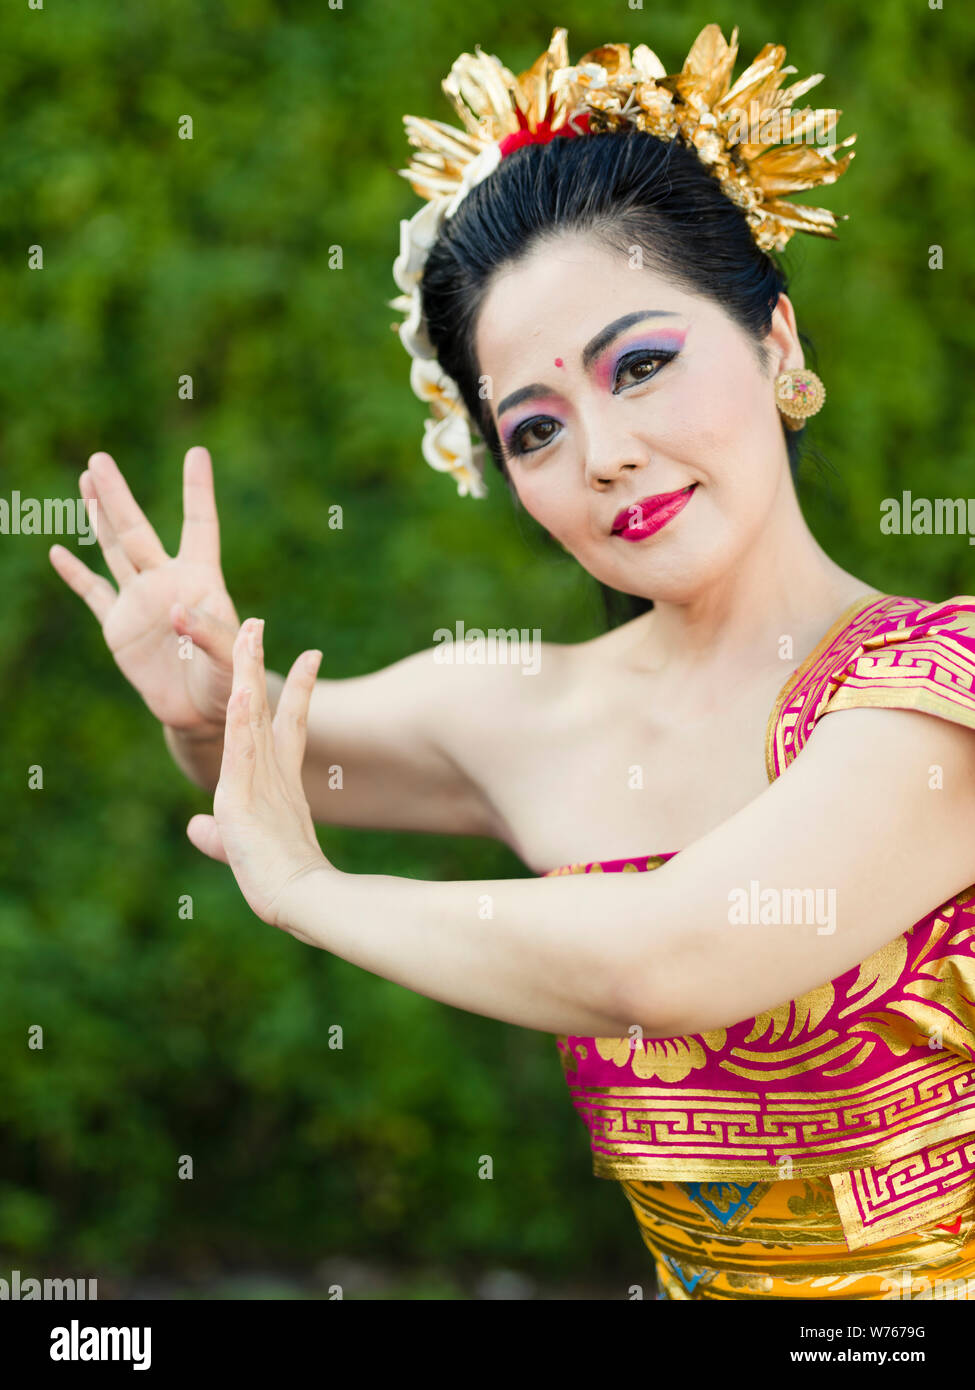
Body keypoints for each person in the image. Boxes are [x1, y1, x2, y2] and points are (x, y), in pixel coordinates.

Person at [50, 26, 975, 1300]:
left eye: (641, 364)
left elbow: (668, 956)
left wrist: (315, 895)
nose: (602, 451)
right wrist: (207, 704)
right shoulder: (521, 705)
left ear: (775, 345)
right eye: (536, 429)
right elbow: (263, 773)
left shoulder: (941, 694)